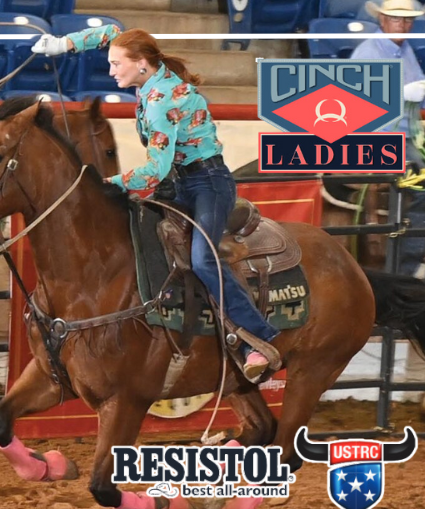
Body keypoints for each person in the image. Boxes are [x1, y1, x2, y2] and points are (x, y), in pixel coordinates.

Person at [32, 25, 279, 381]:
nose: (112, 70)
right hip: (181, 180)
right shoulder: (149, 79)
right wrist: (64, 44)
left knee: (202, 258)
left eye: (117, 64)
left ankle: (257, 339)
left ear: (142, 64)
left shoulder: (163, 100)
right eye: (112, 63)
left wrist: (101, 184)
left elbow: (154, 171)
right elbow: (111, 32)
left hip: (207, 183)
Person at [350, 0, 425, 277]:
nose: (402, 25)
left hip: (405, 136)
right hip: (378, 137)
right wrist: (403, 92)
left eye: (407, 20)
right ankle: (408, 265)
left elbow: (423, 93)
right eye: (396, 19)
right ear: (382, 19)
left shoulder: (404, 51)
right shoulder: (368, 52)